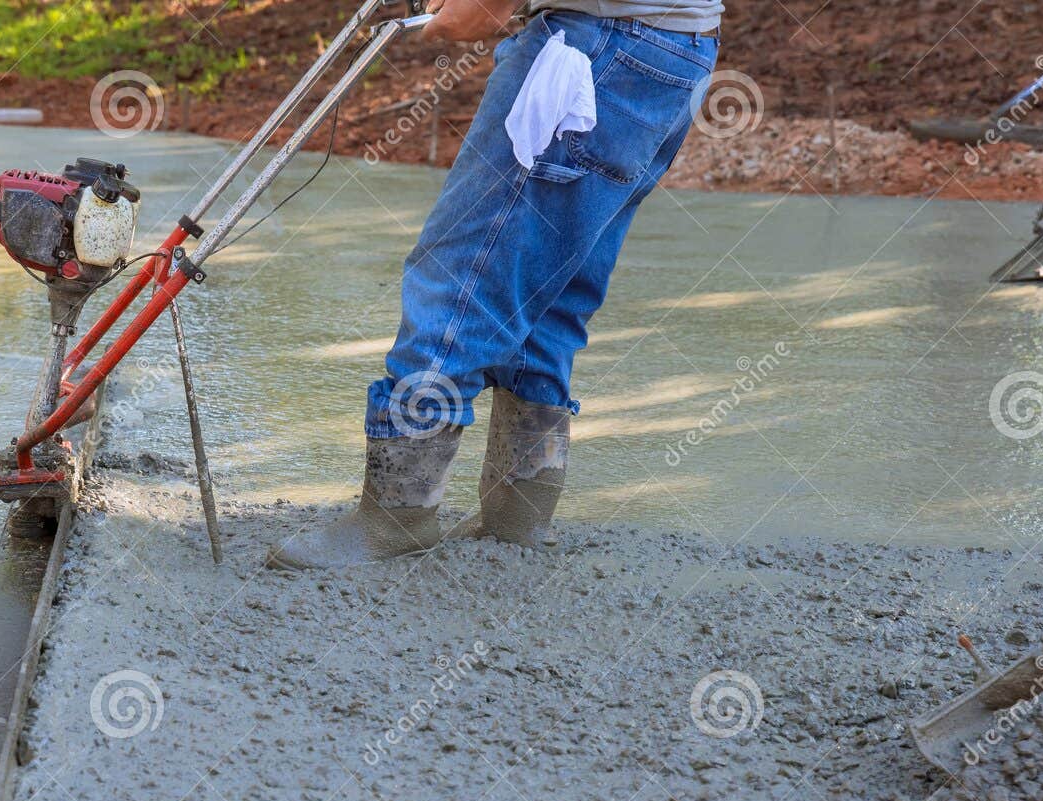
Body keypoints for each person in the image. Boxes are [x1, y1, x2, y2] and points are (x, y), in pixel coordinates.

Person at [268, 0, 722, 569]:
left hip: (594, 50)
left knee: (462, 272)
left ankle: (396, 516)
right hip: (678, 47)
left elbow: (475, 15)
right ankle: (519, 515)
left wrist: (456, 12)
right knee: (553, 287)